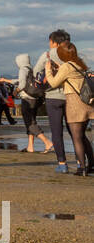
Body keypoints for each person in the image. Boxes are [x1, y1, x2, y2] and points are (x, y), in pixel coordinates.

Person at [46, 43, 94, 176]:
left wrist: (48, 70)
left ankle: (82, 168)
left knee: (76, 137)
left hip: (74, 104)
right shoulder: (80, 63)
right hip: (87, 104)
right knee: (82, 136)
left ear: (62, 55)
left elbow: (54, 83)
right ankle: (91, 164)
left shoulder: (67, 66)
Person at [35, 29, 72, 173]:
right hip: (71, 97)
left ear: (54, 42)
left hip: (53, 97)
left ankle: (62, 163)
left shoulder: (47, 55)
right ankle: (83, 161)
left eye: (50, 42)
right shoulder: (72, 54)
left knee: (57, 132)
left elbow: (36, 72)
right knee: (75, 132)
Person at [2, 55, 52, 155]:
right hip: (35, 98)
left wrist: (15, 92)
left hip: (27, 99)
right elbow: (21, 80)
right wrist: (5, 80)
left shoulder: (22, 69)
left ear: (19, 61)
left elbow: (21, 84)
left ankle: (47, 142)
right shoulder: (31, 69)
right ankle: (30, 146)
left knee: (30, 123)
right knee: (32, 121)